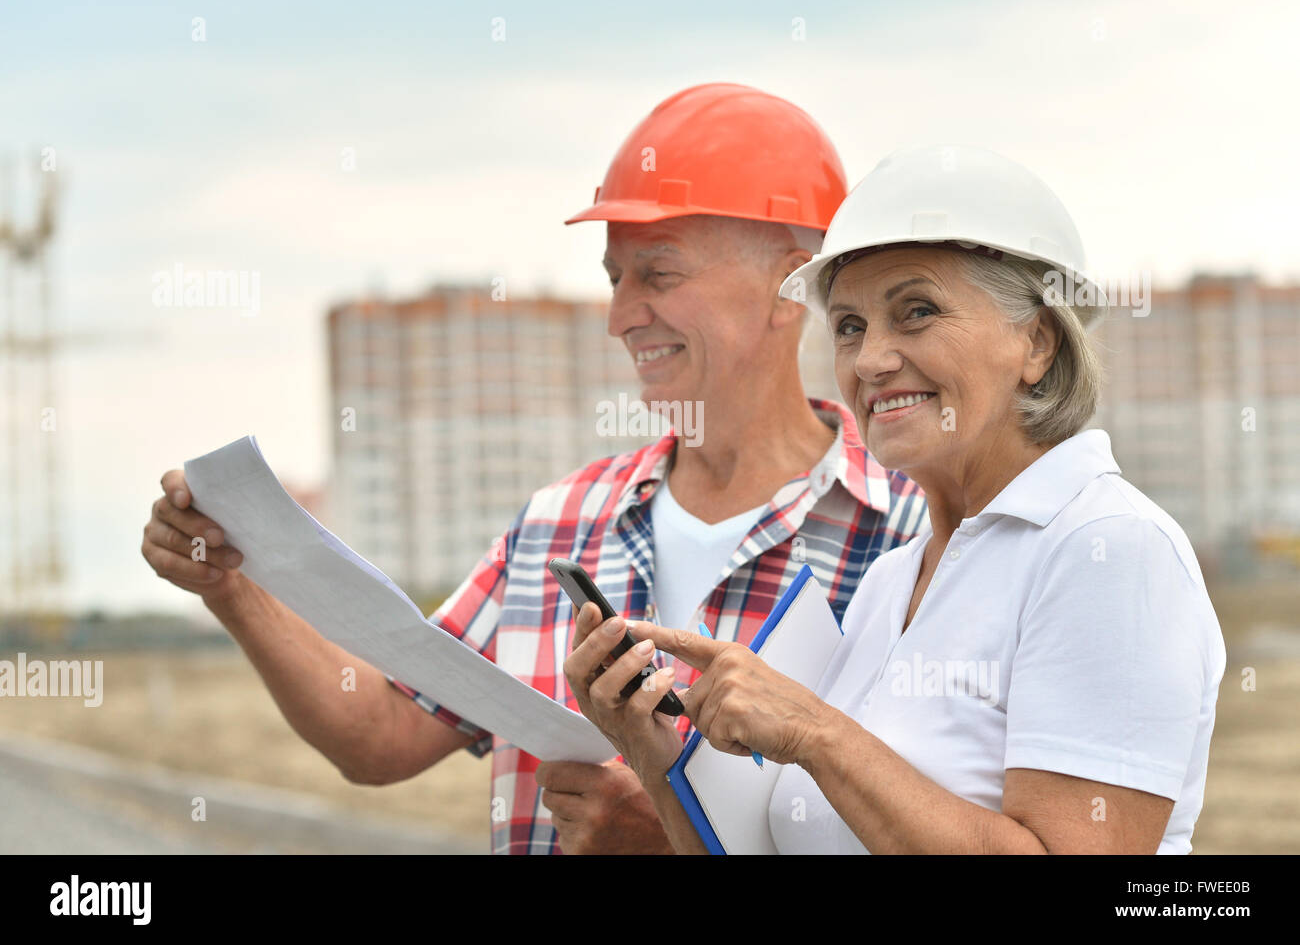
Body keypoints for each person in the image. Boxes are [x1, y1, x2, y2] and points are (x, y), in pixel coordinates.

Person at [139, 83, 928, 855]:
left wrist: (673, 839)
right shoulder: (561, 520)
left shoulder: (911, 533)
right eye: (615, 278)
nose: (620, 318)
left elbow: (936, 831)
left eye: (658, 273)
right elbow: (378, 736)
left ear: (789, 288)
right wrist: (231, 586)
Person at [567, 145, 1227, 854]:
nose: (872, 358)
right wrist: (658, 758)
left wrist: (811, 729)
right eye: (850, 326)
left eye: (916, 312)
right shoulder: (892, 581)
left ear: (1036, 342)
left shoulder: (1108, 550)